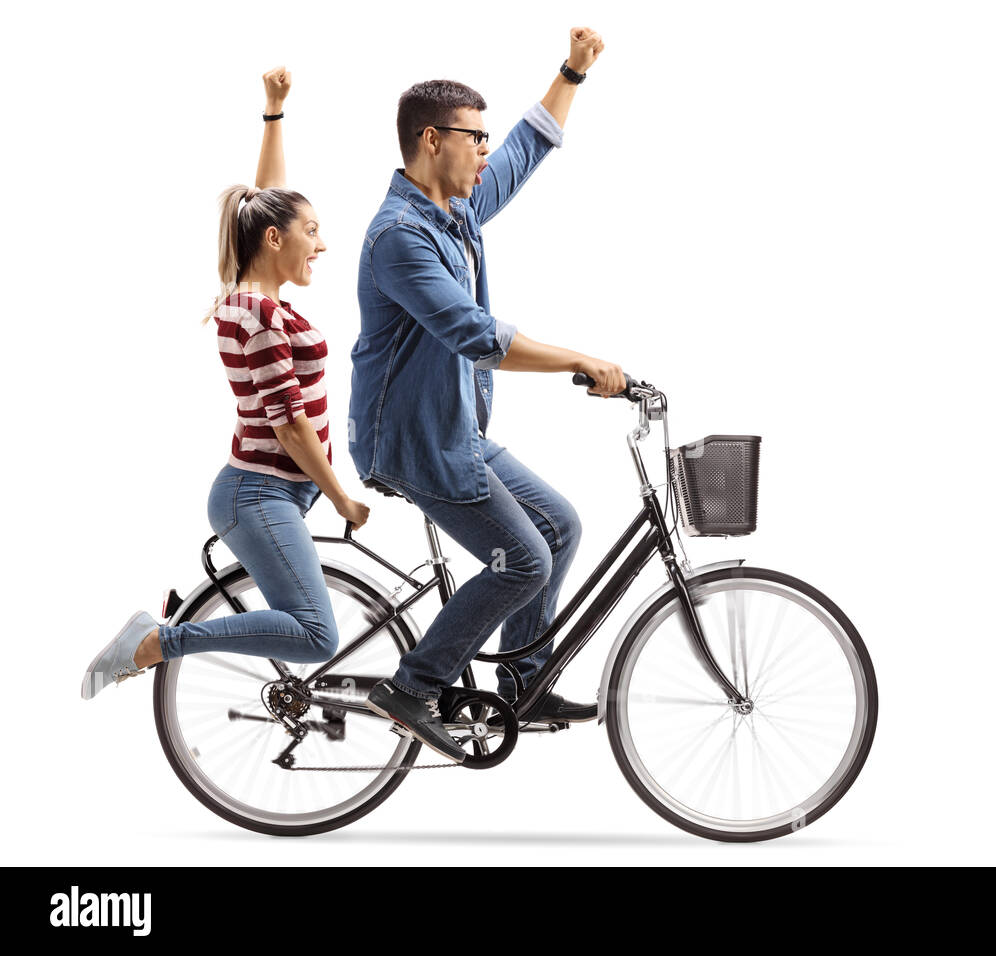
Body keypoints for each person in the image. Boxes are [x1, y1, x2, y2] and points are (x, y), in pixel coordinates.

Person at [350, 27, 622, 762]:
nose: (485, 151)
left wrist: (573, 70)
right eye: (475, 137)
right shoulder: (399, 238)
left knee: (558, 525)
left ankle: (520, 685)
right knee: (525, 560)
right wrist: (583, 359)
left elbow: (524, 153)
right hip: (411, 441)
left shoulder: (456, 211)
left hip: (454, 430)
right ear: (433, 141)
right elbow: (477, 336)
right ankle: (413, 685)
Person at [82, 67, 370, 700]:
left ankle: (168, 636)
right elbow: (289, 424)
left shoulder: (246, 294)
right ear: (275, 240)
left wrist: (273, 113)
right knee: (317, 635)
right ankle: (160, 640)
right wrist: (342, 497)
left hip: (270, 493)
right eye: (312, 232)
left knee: (306, 630)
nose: (321, 245)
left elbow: (268, 200)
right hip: (260, 491)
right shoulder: (262, 314)